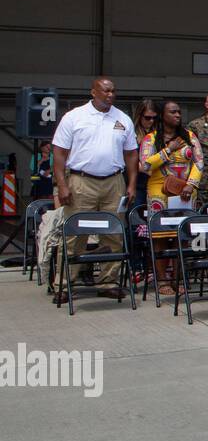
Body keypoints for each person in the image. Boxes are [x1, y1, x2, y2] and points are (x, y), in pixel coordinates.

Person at [49, 77, 138, 303]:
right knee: (74, 234)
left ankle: (108, 282)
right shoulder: (74, 117)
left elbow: (131, 154)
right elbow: (59, 153)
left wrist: (131, 184)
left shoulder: (122, 119)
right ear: (93, 92)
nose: (110, 95)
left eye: (113, 91)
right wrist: (62, 184)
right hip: (81, 181)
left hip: (113, 182)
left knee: (113, 234)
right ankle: (64, 284)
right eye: (105, 91)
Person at [139, 99, 202, 296]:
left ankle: (178, 277)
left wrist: (191, 185)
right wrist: (168, 150)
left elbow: (199, 163)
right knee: (160, 236)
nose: (177, 115)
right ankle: (162, 280)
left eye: (179, 112)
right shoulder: (151, 138)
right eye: (173, 112)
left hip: (184, 193)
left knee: (180, 237)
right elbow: (145, 166)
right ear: (162, 116)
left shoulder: (190, 136)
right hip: (159, 192)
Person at [128, 99, 157, 211]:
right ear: (139, 116)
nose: (151, 121)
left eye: (155, 118)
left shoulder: (161, 134)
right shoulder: (132, 134)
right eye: (147, 117)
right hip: (139, 184)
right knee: (138, 221)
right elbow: (129, 160)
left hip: (159, 184)